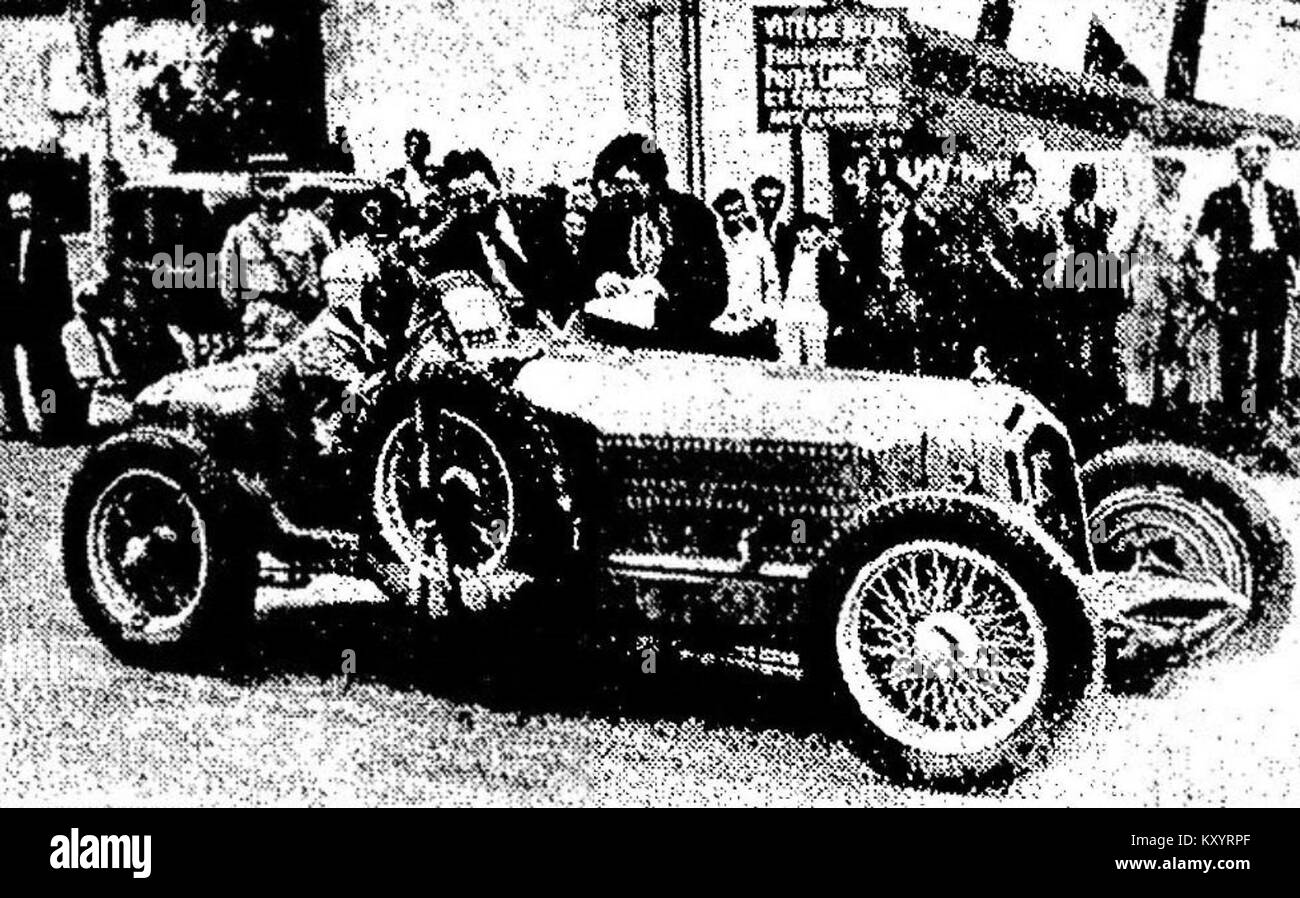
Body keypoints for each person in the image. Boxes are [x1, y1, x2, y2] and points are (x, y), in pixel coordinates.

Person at [579, 134, 728, 352]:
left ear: (654, 181)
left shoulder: (692, 215)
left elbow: (715, 290)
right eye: (616, 185)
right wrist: (600, 280)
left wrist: (665, 290)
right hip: (617, 343)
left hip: (681, 343)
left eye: (628, 184)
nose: (622, 194)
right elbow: (580, 275)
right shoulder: (605, 215)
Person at [1197, 132, 1300, 423]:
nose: (1256, 162)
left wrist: (1296, 275)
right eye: (1249, 156)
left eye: (1262, 156)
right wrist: (1213, 268)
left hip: (1273, 275)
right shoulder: (1221, 198)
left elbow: (1295, 241)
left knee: (1272, 346)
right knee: (1238, 349)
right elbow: (1203, 238)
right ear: (1239, 160)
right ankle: (1244, 409)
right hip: (1237, 278)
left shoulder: (1283, 197)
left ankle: (1266, 408)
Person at [421, 149, 575, 328]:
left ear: (497, 188)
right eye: (463, 201)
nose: (474, 208)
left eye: (481, 197)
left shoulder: (536, 218)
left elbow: (568, 276)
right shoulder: (457, 239)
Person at [1121, 156, 1220, 411]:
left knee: (1179, 342)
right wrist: (1124, 281)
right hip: (1151, 286)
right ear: (1156, 178)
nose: (1168, 179)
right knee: (1149, 343)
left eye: (1174, 174)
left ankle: (1178, 399)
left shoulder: (1187, 212)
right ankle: (1148, 403)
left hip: (1178, 286)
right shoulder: (1146, 210)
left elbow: (1197, 247)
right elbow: (1129, 248)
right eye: (1163, 174)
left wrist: (1202, 277)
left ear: (1180, 178)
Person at [973, 156, 1060, 393]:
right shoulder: (1003, 214)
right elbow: (988, 251)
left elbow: (1054, 249)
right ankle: (993, 368)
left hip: (1037, 284)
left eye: (1027, 183)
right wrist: (1008, 277)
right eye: (1018, 183)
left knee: (1034, 333)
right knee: (1005, 328)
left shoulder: (1044, 216)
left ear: (1033, 185)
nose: (1022, 188)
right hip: (1008, 283)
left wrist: (1050, 276)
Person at [219, 173, 331, 352]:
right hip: (259, 320)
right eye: (265, 185)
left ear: (289, 185)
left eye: (278, 184)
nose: (272, 192)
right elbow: (228, 284)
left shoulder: (309, 226)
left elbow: (331, 264)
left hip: (299, 321)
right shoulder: (242, 232)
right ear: (255, 187)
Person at [0, 190, 77, 439]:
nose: (20, 217)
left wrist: (62, 314)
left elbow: (61, 282)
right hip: (10, 313)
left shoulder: (49, 240)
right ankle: (15, 422)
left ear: (32, 211)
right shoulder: (5, 239)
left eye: (24, 211)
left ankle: (50, 420)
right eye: (15, 212)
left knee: (42, 375)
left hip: (39, 317)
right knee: (6, 374)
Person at [1058, 162, 1122, 402]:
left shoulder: (1106, 215)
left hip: (1100, 282)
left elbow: (1109, 250)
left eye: (1089, 183)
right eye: (1080, 183)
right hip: (1074, 281)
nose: (1085, 190)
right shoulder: (1064, 215)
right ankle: (1075, 391)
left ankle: (1102, 390)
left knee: (1102, 338)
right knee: (1073, 337)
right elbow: (1064, 249)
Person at [711, 188, 779, 359]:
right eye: (729, 213)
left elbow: (772, 283)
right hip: (723, 324)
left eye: (739, 211)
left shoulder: (759, 244)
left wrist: (769, 314)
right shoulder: (716, 246)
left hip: (754, 323)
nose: (735, 217)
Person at [774, 214, 839, 368]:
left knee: (816, 354)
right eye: (802, 231)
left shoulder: (826, 257)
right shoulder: (789, 252)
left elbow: (833, 282)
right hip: (791, 304)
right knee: (788, 355)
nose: (805, 236)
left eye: (811, 231)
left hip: (814, 306)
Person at [387, 129, 439, 223]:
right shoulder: (397, 177)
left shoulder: (435, 177)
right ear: (407, 148)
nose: (417, 148)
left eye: (421, 144)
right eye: (413, 144)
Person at [751, 175, 795, 287]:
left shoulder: (786, 233)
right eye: (766, 200)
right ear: (756, 201)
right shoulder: (749, 231)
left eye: (776, 200)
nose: (771, 205)